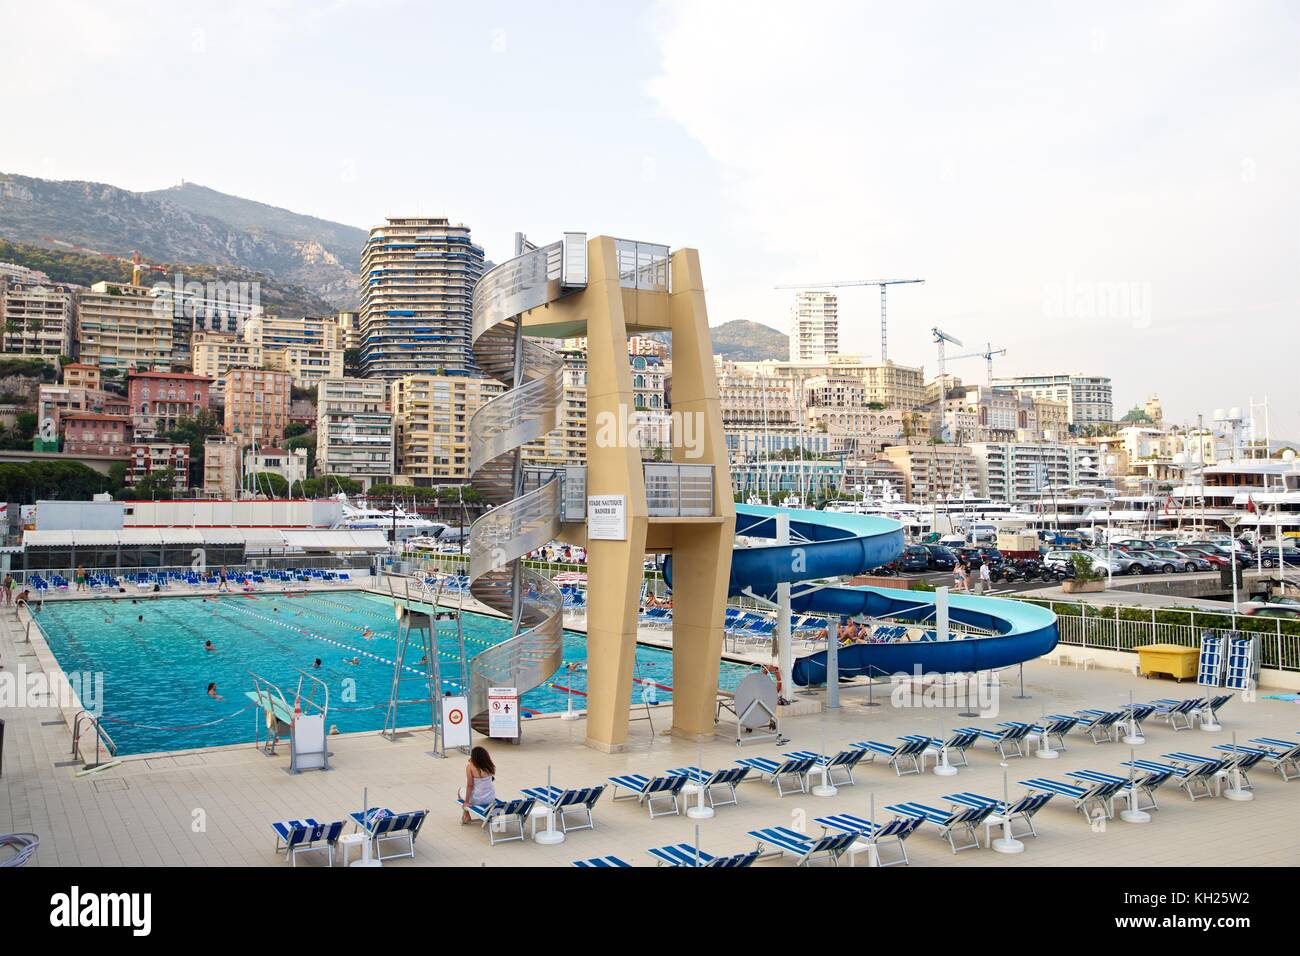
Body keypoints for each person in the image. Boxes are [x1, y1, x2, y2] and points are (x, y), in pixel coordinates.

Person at [460, 746, 497, 824]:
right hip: (491, 798)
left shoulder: (470, 767)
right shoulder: (489, 766)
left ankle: (467, 815)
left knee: (460, 790)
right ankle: (467, 815)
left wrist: (466, 802)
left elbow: (470, 785)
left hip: (478, 800)